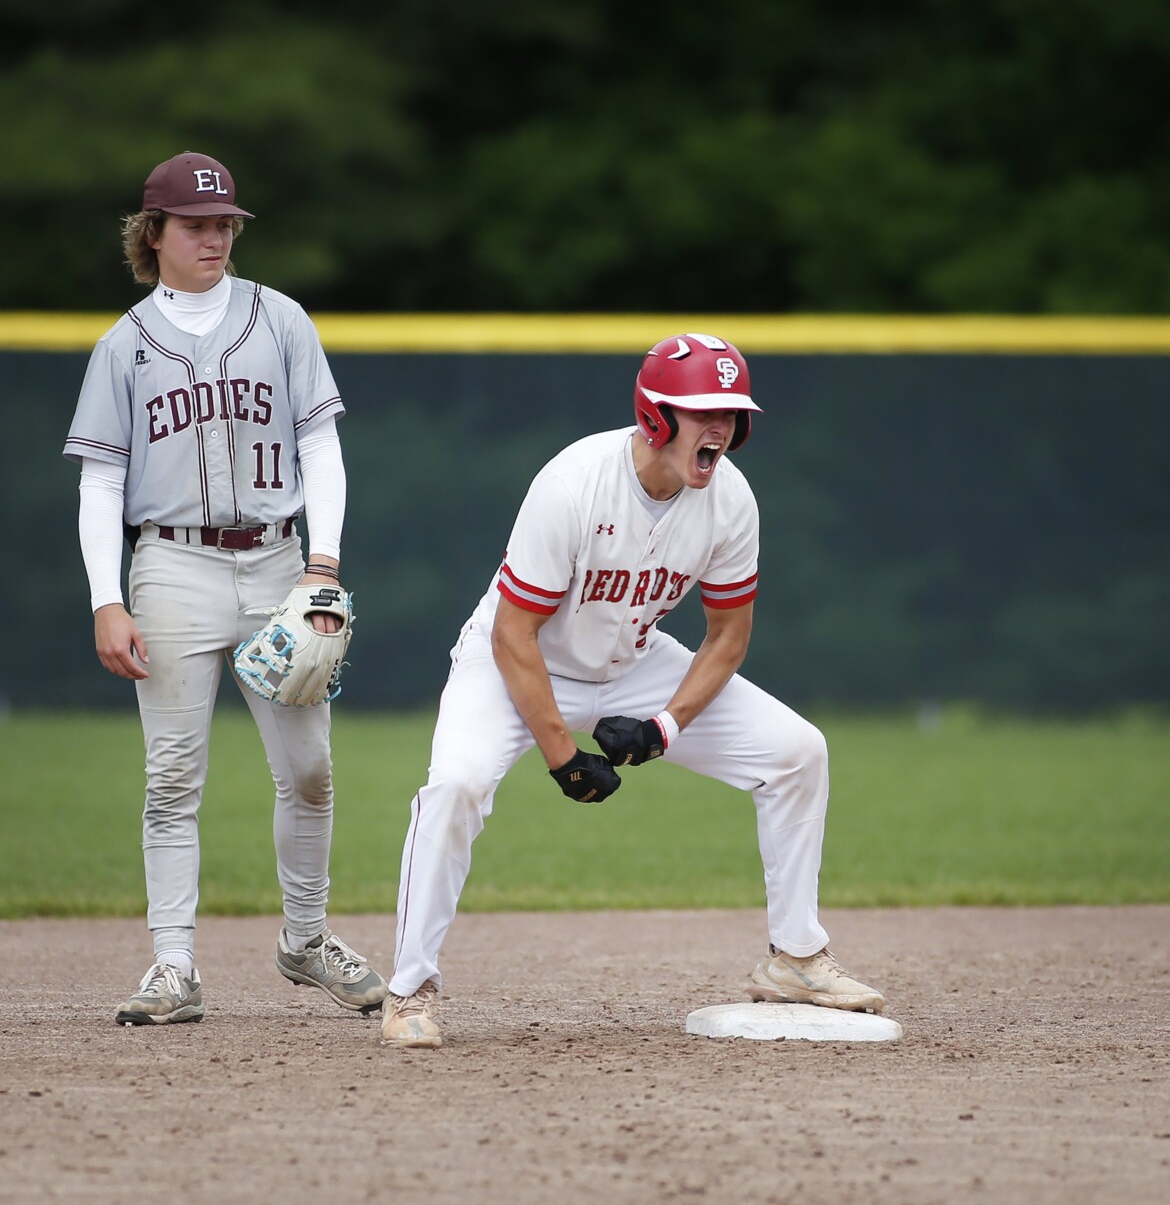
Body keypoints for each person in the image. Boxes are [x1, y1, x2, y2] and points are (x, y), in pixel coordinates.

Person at [380, 331, 884, 1048]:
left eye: (732, 412)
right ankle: (409, 991)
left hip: (632, 664)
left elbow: (727, 640)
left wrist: (664, 727)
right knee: (456, 785)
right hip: (515, 665)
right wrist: (562, 756)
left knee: (798, 752)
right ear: (655, 416)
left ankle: (796, 959)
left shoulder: (731, 502)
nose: (722, 427)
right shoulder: (574, 482)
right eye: (703, 409)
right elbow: (513, 635)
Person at [63, 151, 388, 1025]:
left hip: (282, 563)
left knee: (310, 770)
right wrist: (107, 596)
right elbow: (100, 482)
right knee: (172, 777)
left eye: (225, 224)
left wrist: (324, 563)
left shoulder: (279, 320)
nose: (215, 237)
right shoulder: (124, 346)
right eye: (198, 224)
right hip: (170, 565)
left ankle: (306, 939)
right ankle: (173, 967)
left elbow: (321, 446)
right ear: (154, 234)